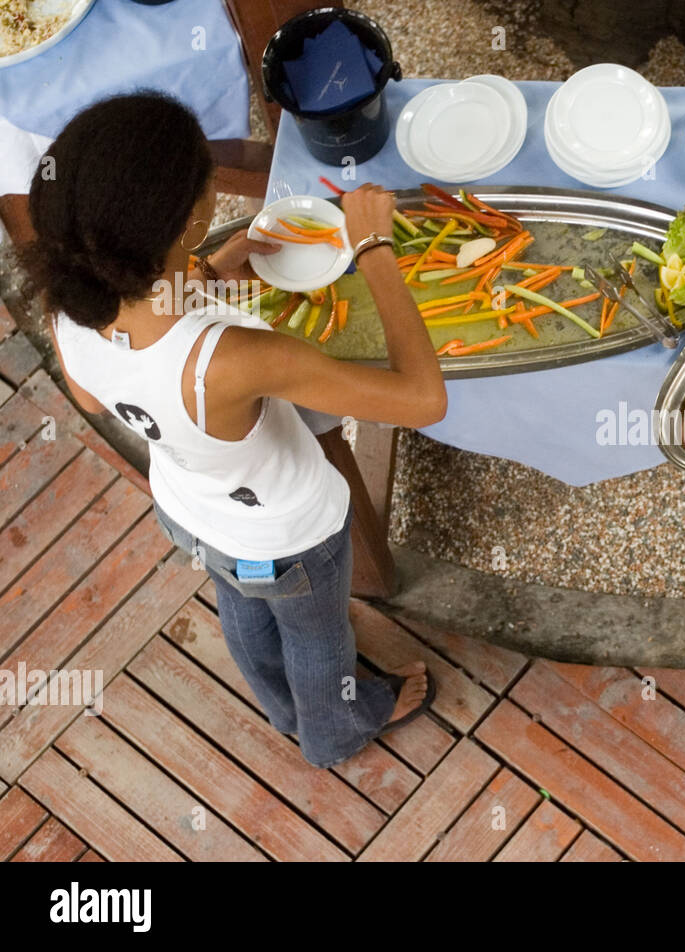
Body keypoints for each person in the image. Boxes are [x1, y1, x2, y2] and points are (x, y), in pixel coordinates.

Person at [24, 93, 446, 769]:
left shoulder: (68, 303)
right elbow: (424, 400)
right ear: (190, 221)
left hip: (191, 516)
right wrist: (374, 247)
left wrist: (215, 273)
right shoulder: (239, 360)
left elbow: (96, 396)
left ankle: (280, 710)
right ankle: (333, 729)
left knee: (245, 607)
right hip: (291, 537)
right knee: (318, 637)